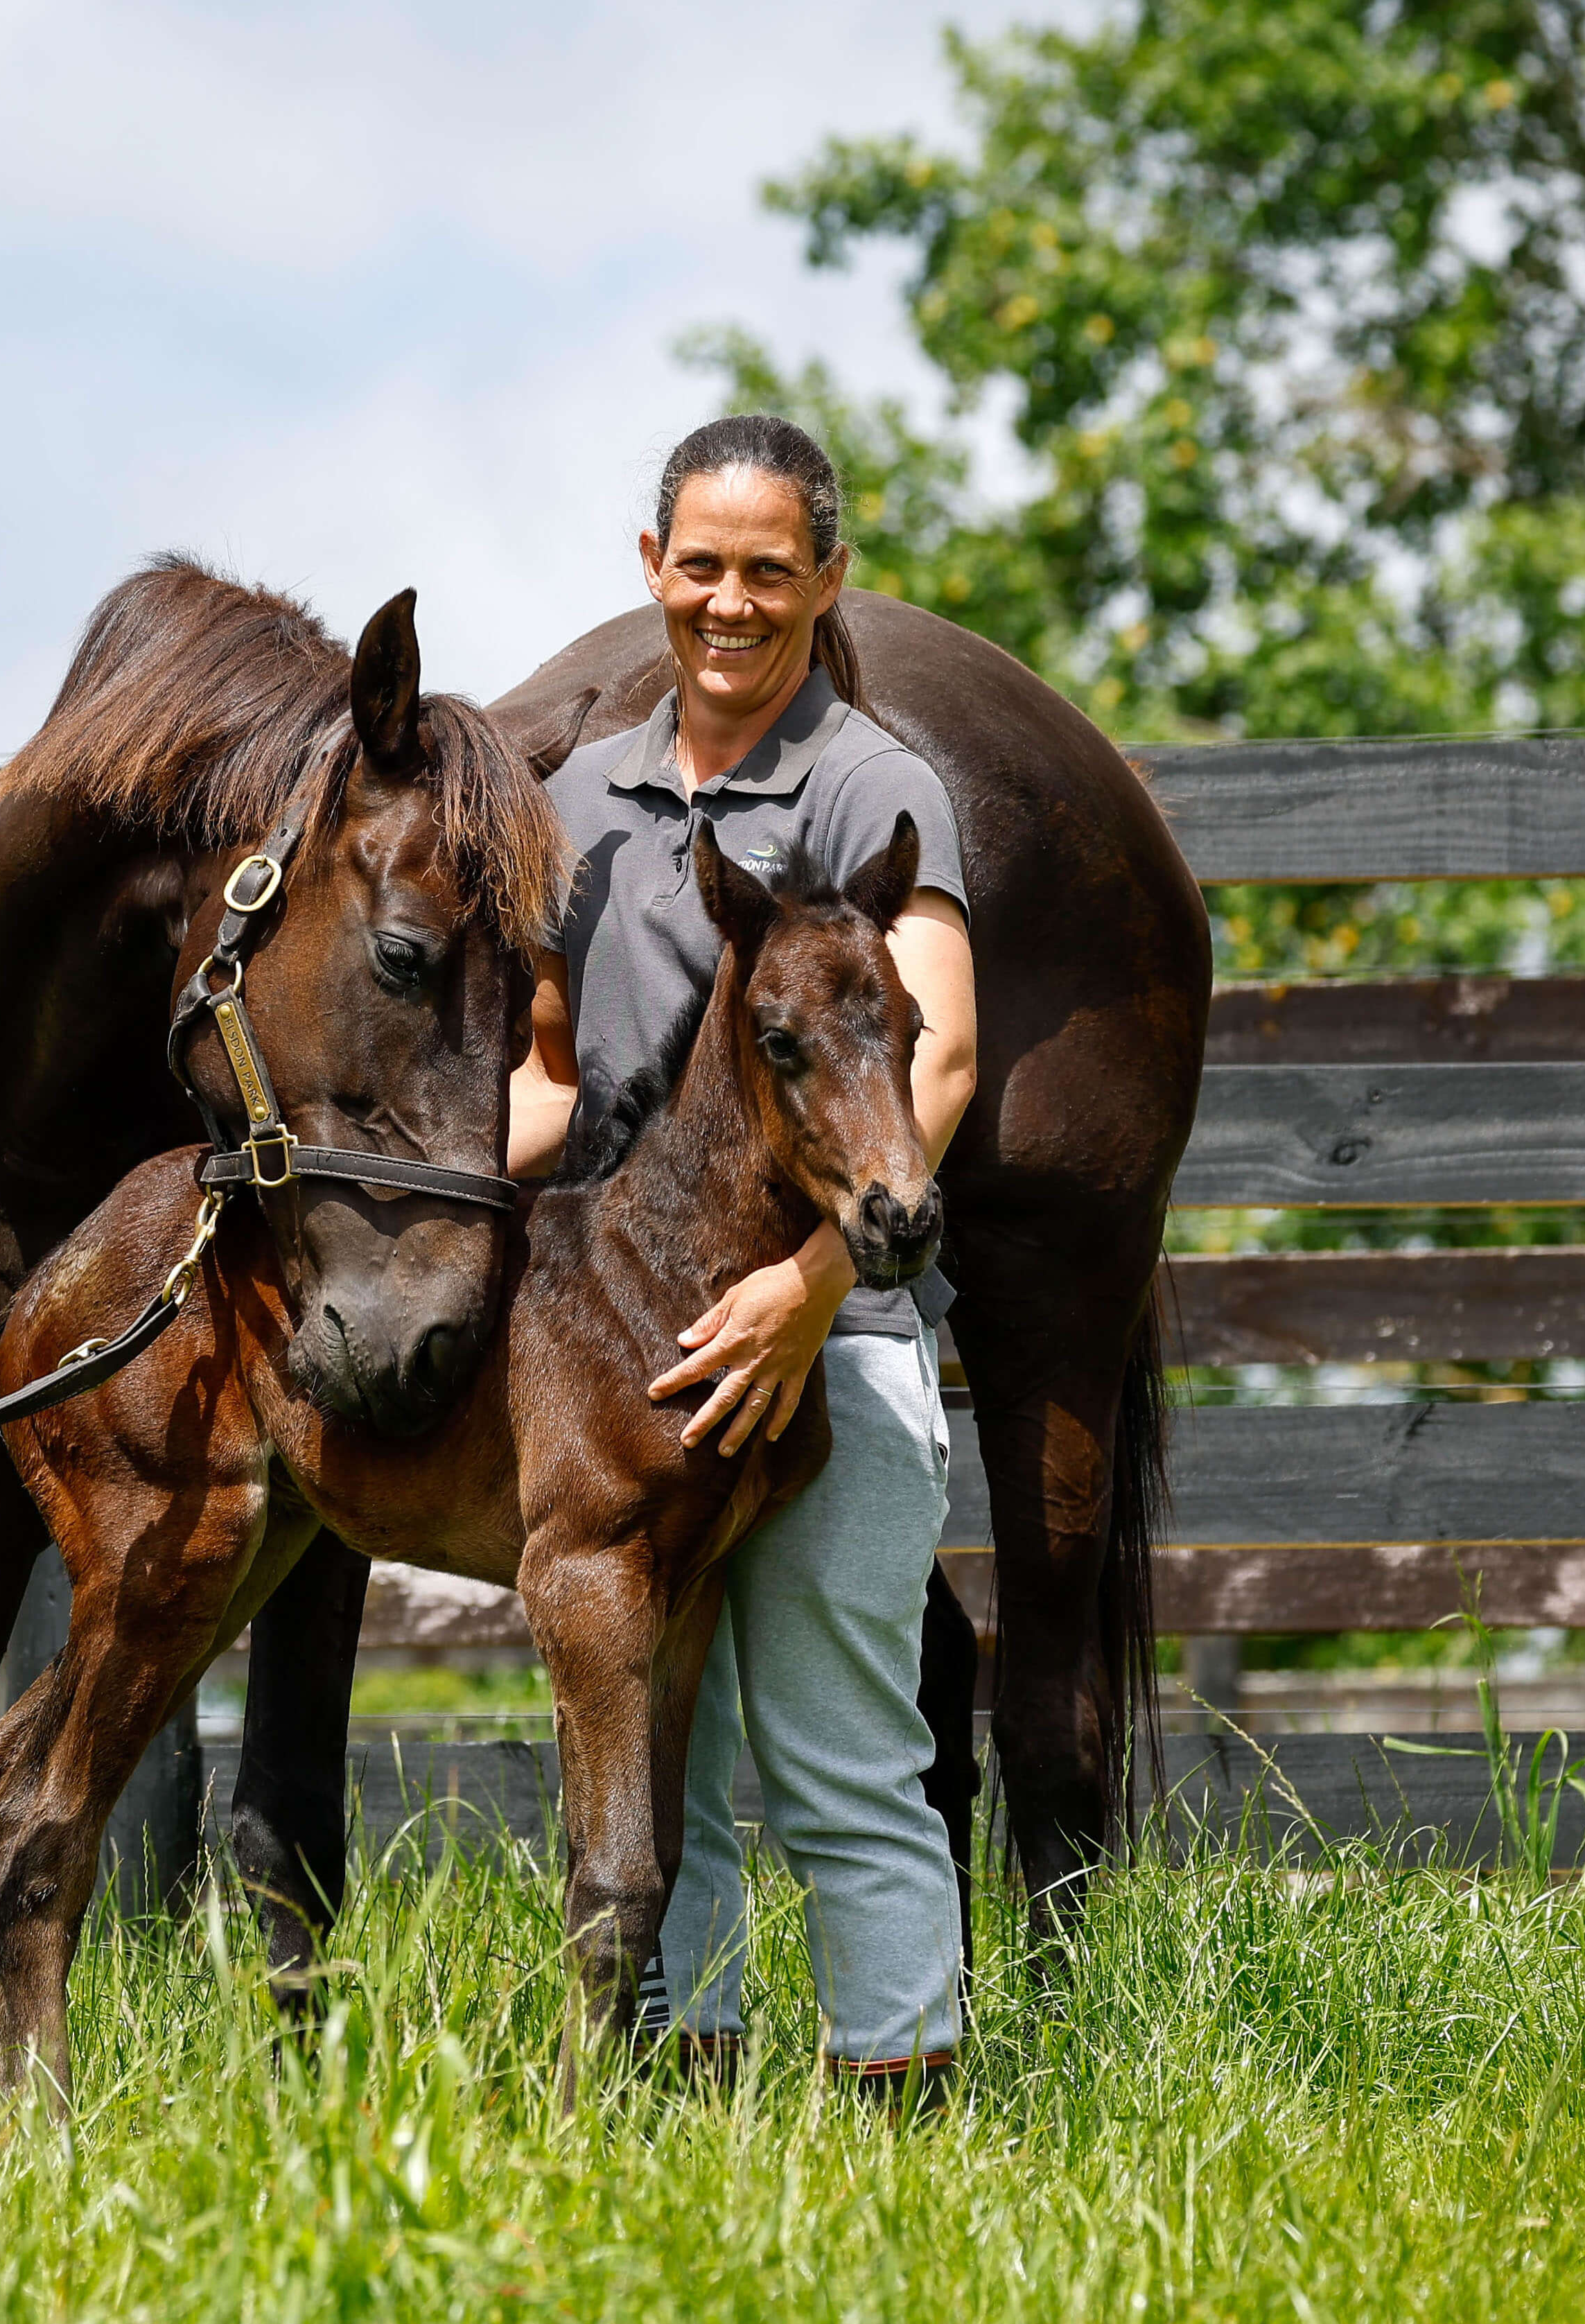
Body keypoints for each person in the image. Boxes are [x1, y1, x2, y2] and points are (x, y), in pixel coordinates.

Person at [507, 413, 979, 2106]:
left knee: (845, 1752)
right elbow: (551, 1077)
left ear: (825, 582)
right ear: (651, 572)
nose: (728, 601)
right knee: (669, 1764)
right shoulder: (581, 802)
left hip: (830, 1334)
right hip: (633, 1340)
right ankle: (693, 2120)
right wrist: (373, 1200)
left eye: (768, 571)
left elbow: (928, 1061)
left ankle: (906, 2110)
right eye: (698, 566)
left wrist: (815, 1289)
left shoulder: (873, 783)